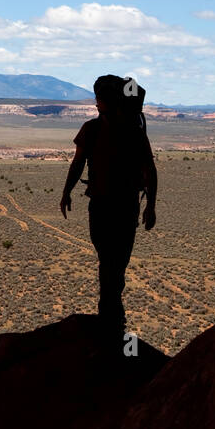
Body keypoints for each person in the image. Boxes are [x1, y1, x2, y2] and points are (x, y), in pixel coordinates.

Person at [59, 74, 157, 333]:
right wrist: (151, 206)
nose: (95, 104)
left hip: (107, 205)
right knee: (114, 261)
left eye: (98, 99)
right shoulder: (132, 132)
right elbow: (150, 171)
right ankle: (112, 313)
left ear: (109, 101)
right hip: (123, 206)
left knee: (110, 261)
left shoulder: (95, 129)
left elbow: (78, 163)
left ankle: (110, 315)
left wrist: (66, 191)